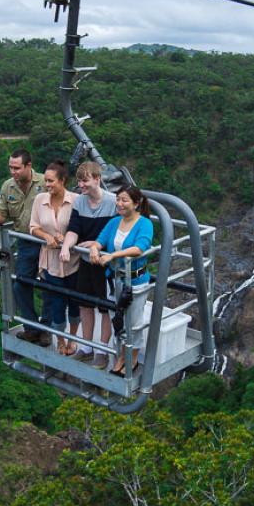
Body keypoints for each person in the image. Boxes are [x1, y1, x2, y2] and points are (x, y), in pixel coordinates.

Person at [89, 186, 154, 375]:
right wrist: (94, 248)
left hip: (135, 281)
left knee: (133, 322)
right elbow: (99, 240)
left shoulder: (144, 224)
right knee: (117, 319)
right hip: (114, 280)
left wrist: (113, 255)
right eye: (118, 199)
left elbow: (139, 247)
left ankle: (131, 358)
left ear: (136, 203)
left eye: (124, 200)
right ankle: (120, 356)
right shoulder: (114, 222)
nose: (119, 204)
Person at [0, 149, 47, 344]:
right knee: (21, 285)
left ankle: (46, 329)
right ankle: (32, 327)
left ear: (28, 166)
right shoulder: (8, 186)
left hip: (47, 243)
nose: (13, 171)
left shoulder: (45, 182)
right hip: (26, 241)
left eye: (17, 168)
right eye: (10, 167)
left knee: (50, 287)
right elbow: (2, 213)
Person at [60, 162, 118, 368]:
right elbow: (73, 229)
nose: (81, 185)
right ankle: (86, 347)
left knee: (104, 307)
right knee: (84, 304)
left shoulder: (113, 203)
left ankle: (101, 350)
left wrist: (95, 244)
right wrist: (66, 247)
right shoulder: (80, 203)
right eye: (79, 181)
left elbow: (116, 233)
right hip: (85, 261)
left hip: (105, 264)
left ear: (97, 179)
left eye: (85, 180)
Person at [29, 160, 81, 355]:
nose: (47, 185)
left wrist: (66, 238)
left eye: (51, 181)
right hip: (51, 261)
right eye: (46, 181)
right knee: (57, 302)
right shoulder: (40, 200)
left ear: (62, 180)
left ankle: (72, 339)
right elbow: (33, 226)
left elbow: (80, 228)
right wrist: (47, 237)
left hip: (73, 261)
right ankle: (60, 340)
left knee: (74, 302)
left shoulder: (76, 200)